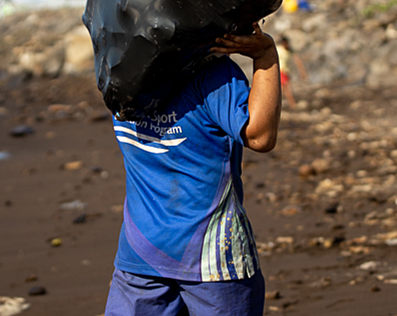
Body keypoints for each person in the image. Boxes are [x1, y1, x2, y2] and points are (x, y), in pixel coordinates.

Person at [103, 22, 281, 316]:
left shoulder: (117, 76)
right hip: (211, 259)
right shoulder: (211, 74)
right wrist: (265, 54)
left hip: (140, 255)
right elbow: (260, 136)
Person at [276, 37, 309, 109]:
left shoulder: (289, 51)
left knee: (283, 88)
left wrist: (302, 72)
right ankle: (291, 104)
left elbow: (297, 60)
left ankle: (279, 104)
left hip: (285, 71)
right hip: (280, 70)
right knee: (285, 88)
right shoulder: (279, 50)